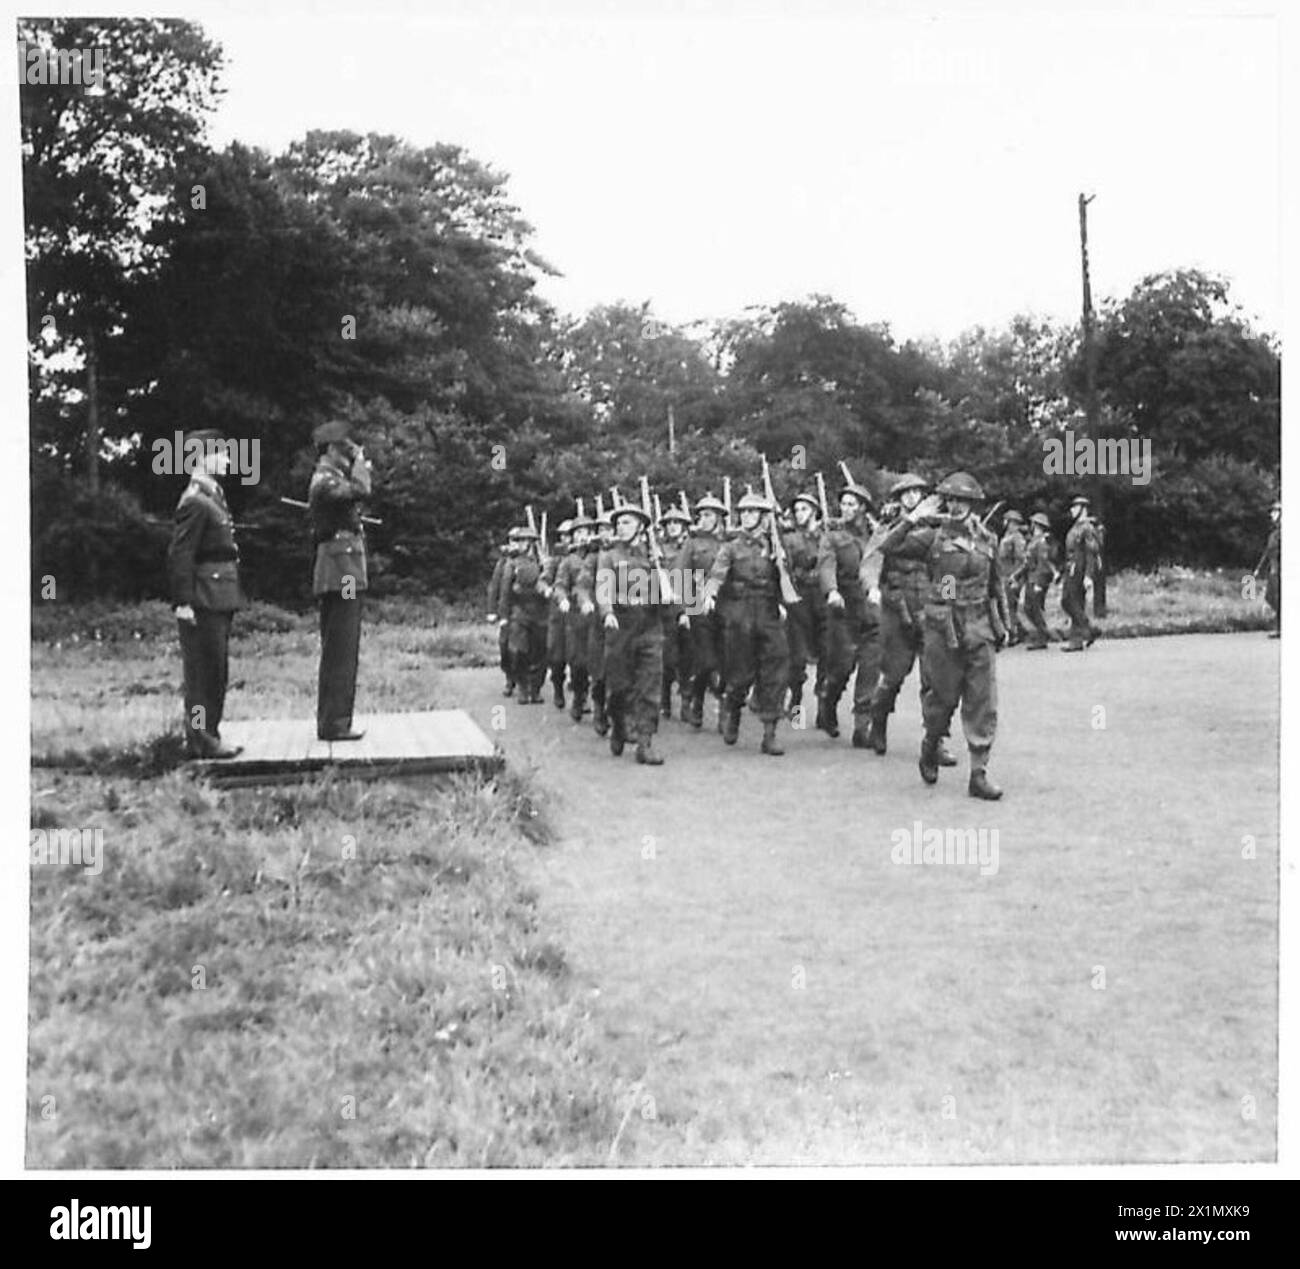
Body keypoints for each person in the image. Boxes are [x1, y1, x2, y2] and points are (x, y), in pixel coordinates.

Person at [876, 471, 1008, 799]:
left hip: (979, 626)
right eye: (952, 500)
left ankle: (979, 773)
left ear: (974, 505)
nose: (957, 505)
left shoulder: (987, 539)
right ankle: (931, 743)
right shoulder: (931, 537)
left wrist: (1004, 622)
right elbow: (887, 546)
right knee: (943, 698)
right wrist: (912, 518)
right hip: (943, 627)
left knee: (983, 702)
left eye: (963, 500)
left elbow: (996, 585)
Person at [861, 473, 954, 767]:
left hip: (928, 608)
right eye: (906, 494)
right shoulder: (890, 527)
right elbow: (873, 558)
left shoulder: (940, 526)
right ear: (898, 499)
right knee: (894, 675)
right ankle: (878, 721)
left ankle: (935, 740)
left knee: (934, 678)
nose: (913, 499)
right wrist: (873, 587)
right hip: (896, 606)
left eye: (917, 493)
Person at [167, 428, 244, 759]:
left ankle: (210, 734)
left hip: (218, 593)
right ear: (203, 457)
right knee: (202, 672)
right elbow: (180, 554)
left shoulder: (212, 495)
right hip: (202, 596)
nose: (228, 460)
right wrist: (183, 601)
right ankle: (201, 739)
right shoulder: (196, 501)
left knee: (215, 670)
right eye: (222, 454)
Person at [702, 489, 791, 755]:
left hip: (767, 611)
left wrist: (782, 560)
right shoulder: (731, 546)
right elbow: (718, 572)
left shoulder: (775, 544)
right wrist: (709, 594)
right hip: (740, 613)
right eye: (744, 512)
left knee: (776, 666)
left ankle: (770, 732)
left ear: (764, 517)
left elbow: (787, 577)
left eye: (753, 512)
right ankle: (733, 709)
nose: (748, 516)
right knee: (740, 672)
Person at [308, 420, 372, 741]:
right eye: (346, 449)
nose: (351, 455)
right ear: (332, 450)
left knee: (344, 649)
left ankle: (336, 721)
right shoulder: (325, 480)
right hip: (341, 573)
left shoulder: (330, 478)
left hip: (343, 569)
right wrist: (362, 464)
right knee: (340, 650)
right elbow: (361, 491)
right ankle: (334, 724)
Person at [594, 504, 668, 764]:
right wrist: (607, 612)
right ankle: (618, 725)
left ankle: (645, 743)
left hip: (650, 625)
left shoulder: (655, 555)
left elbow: (677, 589)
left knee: (649, 686)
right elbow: (603, 587)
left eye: (628, 522)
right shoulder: (609, 556)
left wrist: (680, 608)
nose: (621, 527)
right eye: (619, 523)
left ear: (641, 526)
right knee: (619, 687)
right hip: (621, 626)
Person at [816, 476, 881, 743]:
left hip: (872, 607)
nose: (845, 508)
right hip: (842, 607)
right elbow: (826, 565)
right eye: (843, 503)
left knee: (870, 667)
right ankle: (828, 703)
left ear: (863, 508)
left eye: (851, 504)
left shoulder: (877, 535)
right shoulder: (833, 536)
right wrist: (831, 590)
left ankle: (862, 726)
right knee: (841, 667)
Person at [673, 493, 728, 730]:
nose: (703, 520)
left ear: (718, 518)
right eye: (701, 515)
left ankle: (724, 710)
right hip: (697, 604)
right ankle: (697, 698)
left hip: (726, 605)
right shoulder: (692, 544)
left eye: (708, 515)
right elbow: (681, 576)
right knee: (706, 662)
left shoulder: (728, 542)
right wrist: (684, 610)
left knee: (727, 660)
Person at [782, 492, 826, 723]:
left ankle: (824, 706)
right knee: (797, 656)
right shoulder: (789, 539)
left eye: (805, 509)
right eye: (797, 510)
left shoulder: (826, 536)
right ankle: (796, 703)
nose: (800, 514)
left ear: (815, 512)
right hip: (798, 598)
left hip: (822, 598)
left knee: (828, 653)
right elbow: (785, 569)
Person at [499, 526, 548, 703]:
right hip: (519, 611)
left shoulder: (543, 562)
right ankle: (522, 686)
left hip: (541, 612)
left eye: (525, 541)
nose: (521, 544)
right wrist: (503, 615)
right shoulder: (511, 564)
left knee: (540, 653)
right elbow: (505, 591)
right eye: (519, 541)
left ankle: (536, 689)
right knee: (519, 651)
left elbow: (549, 581)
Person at [556, 513, 596, 720]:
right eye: (579, 532)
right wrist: (562, 598)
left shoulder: (600, 557)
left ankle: (600, 707)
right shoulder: (568, 561)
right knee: (578, 663)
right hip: (577, 617)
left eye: (588, 532)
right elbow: (560, 584)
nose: (584, 536)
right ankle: (579, 697)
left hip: (599, 615)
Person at [656, 506, 694, 719]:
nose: (672, 527)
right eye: (669, 523)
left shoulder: (690, 547)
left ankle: (687, 700)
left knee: (689, 656)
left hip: (690, 604)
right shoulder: (658, 549)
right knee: (667, 657)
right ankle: (664, 699)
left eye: (676, 523)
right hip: (666, 608)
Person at [539, 519, 573, 709]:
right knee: (557, 656)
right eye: (566, 536)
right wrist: (546, 589)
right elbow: (543, 579)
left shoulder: (588, 558)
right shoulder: (554, 560)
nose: (569, 540)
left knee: (580, 658)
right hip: (558, 614)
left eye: (572, 535)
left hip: (579, 614)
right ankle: (558, 688)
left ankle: (580, 695)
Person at [1061, 494, 1101, 652]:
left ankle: (1087, 631)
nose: (1072, 510)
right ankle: (1079, 638)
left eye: (1075, 507)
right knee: (1071, 601)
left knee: (1070, 601)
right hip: (1071, 569)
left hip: (1079, 569)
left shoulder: (1087, 528)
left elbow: (1091, 553)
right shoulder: (1075, 527)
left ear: (1083, 509)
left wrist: (1088, 576)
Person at [485, 534, 519, 696]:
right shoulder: (503, 563)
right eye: (513, 540)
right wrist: (492, 611)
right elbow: (495, 586)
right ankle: (509, 677)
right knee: (505, 646)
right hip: (507, 611)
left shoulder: (532, 560)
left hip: (525, 610)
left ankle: (525, 680)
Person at [1021, 512, 1058, 649]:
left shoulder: (1041, 542)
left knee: (1034, 608)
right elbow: (1027, 562)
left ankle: (1042, 635)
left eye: (1033, 523)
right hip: (1030, 577)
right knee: (1028, 607)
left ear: (1036, 525)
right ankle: (1042, 632)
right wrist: (1017, 575)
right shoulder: (1034, 540)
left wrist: (1039, 583)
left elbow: (1043, 563)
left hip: (1037, 579)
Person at [998, 510, 1028, 646]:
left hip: (1011, 576)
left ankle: (1013, 633)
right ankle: (1019, 631)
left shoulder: (1017, 538)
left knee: (1009, 605)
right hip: (1004, 574)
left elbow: (1021, 559)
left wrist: (1015, 577)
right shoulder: (1007, 536)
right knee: (1008, 605)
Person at [1258, 498, 1281, 638]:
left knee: (1279, 598)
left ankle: (1280, 629)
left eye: (1274, 512)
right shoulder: (1273, 534)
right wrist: (1258, 569)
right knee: (1271, 597)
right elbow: (1267, 552)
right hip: (1274, 570)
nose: (1272, 515)